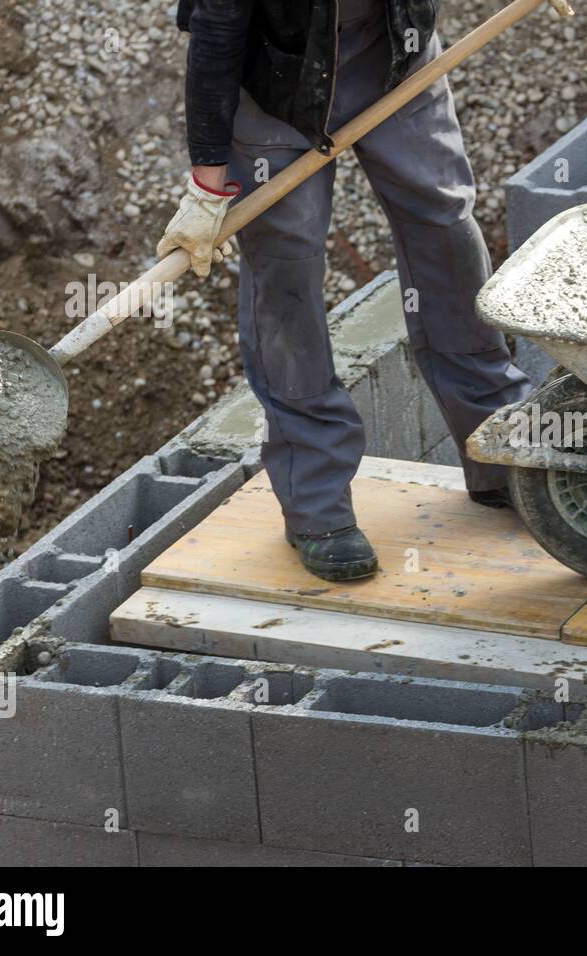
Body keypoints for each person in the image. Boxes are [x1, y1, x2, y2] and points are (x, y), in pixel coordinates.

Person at [157, 0, 531, 582]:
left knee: (444, 226)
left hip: (391, 48)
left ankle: (500, 448)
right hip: (278, 76)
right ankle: (316, 499)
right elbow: (217, 29)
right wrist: (208, 184)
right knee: (288, 269)